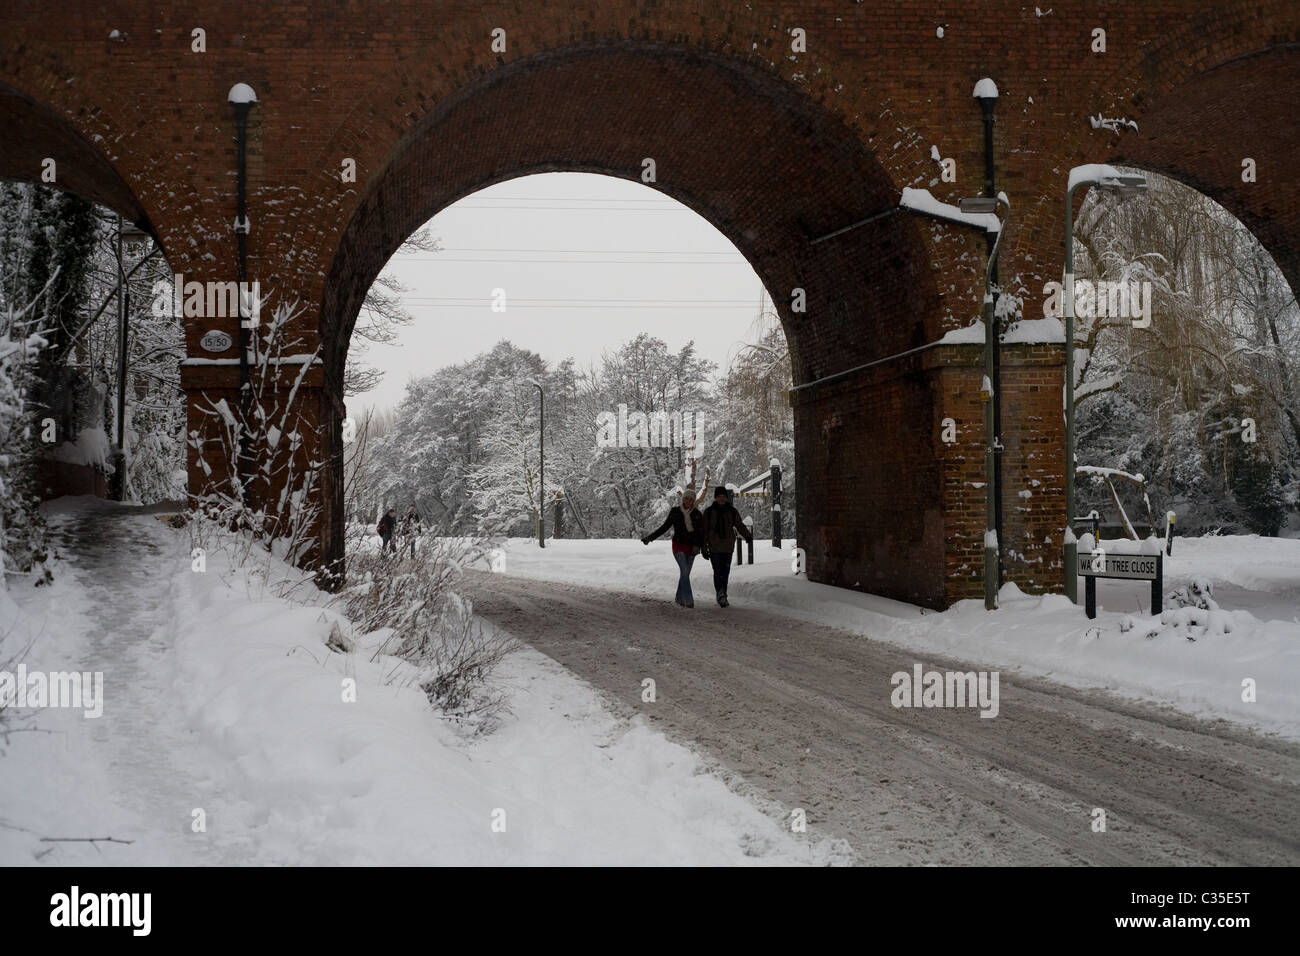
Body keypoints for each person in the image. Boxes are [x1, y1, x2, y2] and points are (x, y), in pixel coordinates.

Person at [641, 491, 708, 608]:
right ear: (683, 499)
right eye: (686, 498)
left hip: (692, 548)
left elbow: (702, 533)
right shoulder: (675, 512)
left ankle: (679, 598)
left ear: (693, 501)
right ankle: (688, 600)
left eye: (691, 499)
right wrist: (650, 538)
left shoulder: (697, 514)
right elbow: (664, 527)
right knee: (685, 572)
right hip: (678, 546)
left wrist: (703, 547)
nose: (688, 501)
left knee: (685, 573)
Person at [701, 486, 753, 607]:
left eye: (724, 496)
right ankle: (720, 593)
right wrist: (703, 547)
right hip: (714, 547)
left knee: (725, 572)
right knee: (717, 570)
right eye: (719, 496)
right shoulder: (709, 512)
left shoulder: (732, 511)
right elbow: (704, 531)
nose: (722, 498)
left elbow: (739, 525)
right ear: (715, 497)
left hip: (728, 546)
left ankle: (723, 593)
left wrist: (747, 536)